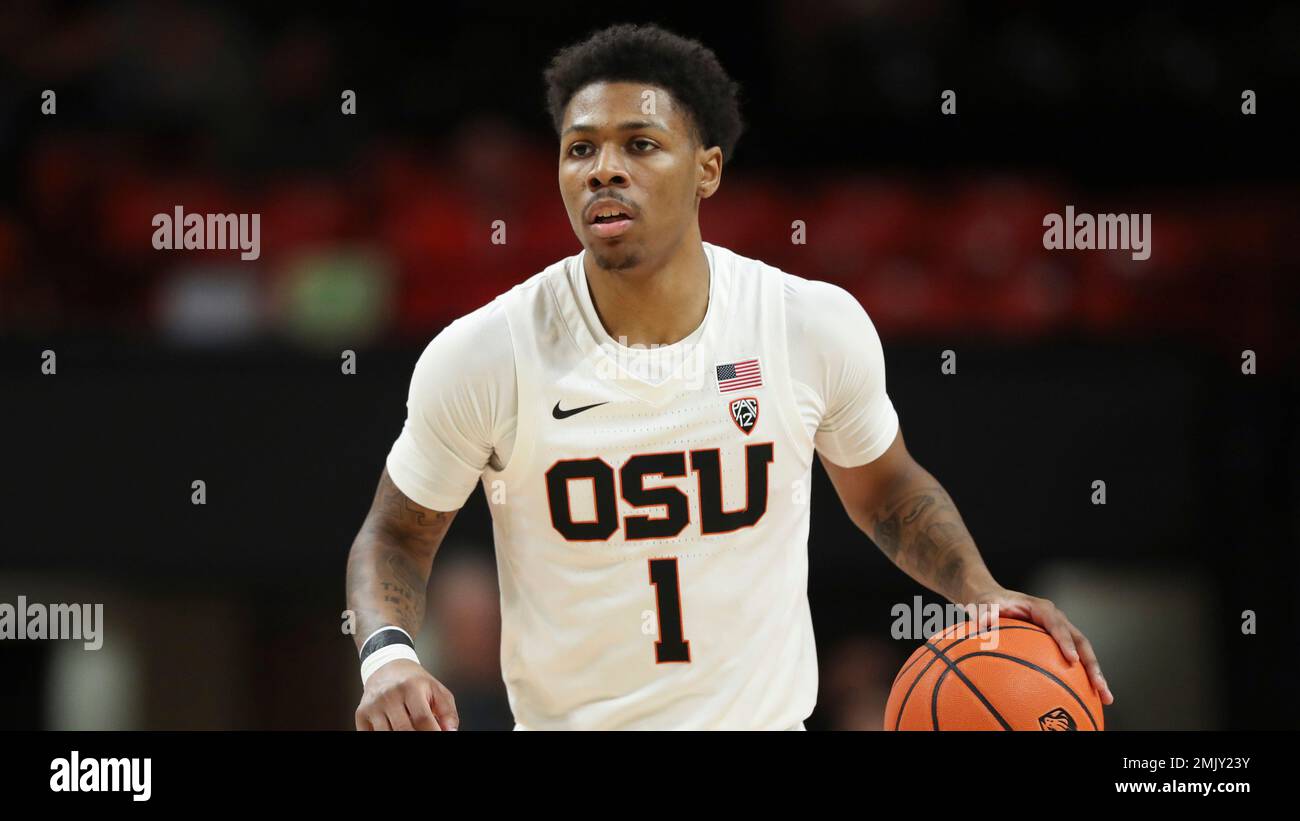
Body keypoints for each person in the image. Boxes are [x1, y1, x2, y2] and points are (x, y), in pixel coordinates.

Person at [345, 22, 1113, 731]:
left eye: (640, 144)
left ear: (708, 169)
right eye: (580, 149)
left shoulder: (805, 324)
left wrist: (981, 592)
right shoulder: (485, 352)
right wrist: (388, 655)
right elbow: (396, 533)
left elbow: (885, 487)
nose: (604, 169)